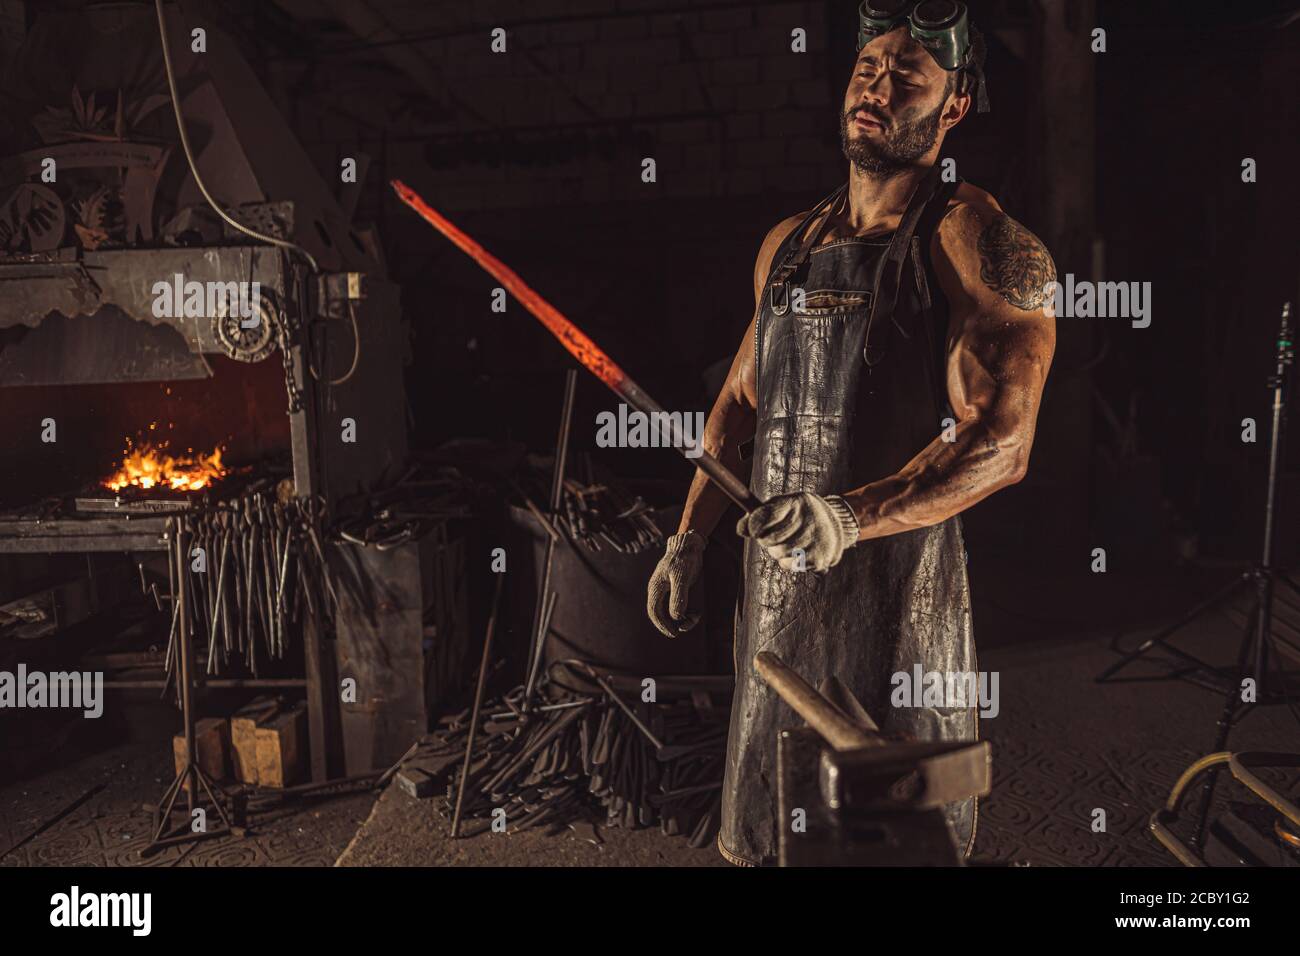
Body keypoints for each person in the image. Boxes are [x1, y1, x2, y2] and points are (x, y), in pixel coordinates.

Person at [646, 0, 1056, 866]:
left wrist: (849, 518)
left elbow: (1003, 442)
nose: (879, 85)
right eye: (868, 67)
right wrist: (688, 537)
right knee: (767, 835)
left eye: (910, 75)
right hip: (776, 607)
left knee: (895, 842)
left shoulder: (974, 239)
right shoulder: (787, 246)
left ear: (955, 105)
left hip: (903, 604)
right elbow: (740, 400)